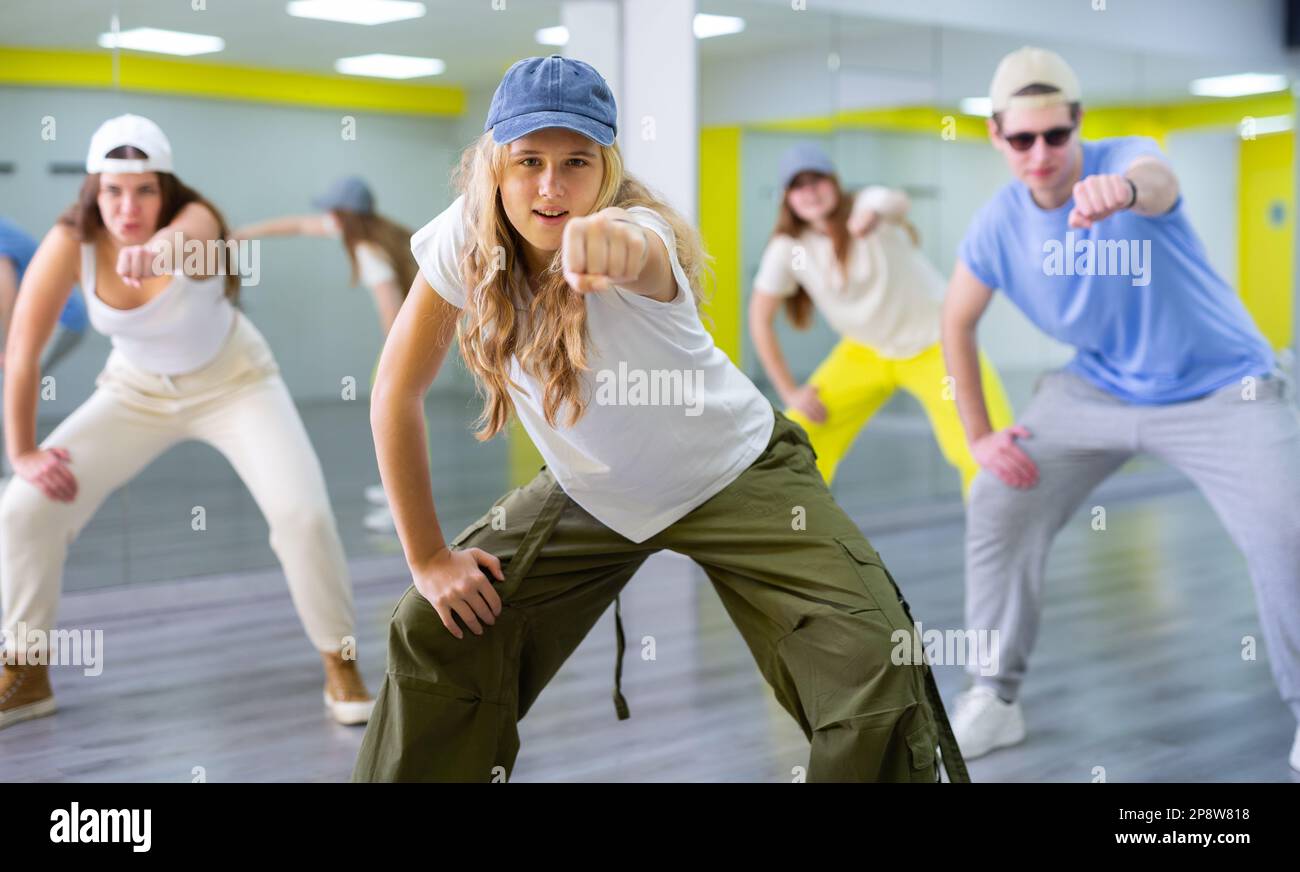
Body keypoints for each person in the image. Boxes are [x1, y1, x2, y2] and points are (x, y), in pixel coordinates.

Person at [350, 55, 968, 783]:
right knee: (434, 627)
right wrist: (427, 560)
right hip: (594, 490)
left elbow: (635, 250)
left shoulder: (640, 229)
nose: (551, 187)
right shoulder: (463, 239)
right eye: (529, 162)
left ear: (606, 166)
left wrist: (601, 243)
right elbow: (395, 390)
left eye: (576, 161)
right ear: (494, 163)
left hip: (736, 473)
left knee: (874, 656)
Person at [941, 47, 1300, 771]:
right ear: (997, 137)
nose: (1040, 153)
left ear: (1078, 130)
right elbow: (956, 322)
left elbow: (1157, 180)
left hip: (1225, 386)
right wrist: (979, 436)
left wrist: (1125, 195)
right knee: (998, 498)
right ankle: (995, 698)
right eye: (1022, 138)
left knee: (1288, 529)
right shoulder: (997, 225)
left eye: (1055, 136)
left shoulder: (1124, 162)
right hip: (1097, 390)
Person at [0, 114, 374, 729]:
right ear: (93, 189)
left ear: (165, 190)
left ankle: (340, 658)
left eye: (145, 190)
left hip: (237, 383)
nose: (128, 207)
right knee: (24, 508)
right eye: (114, 190)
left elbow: (186, 243)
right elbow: (21, 350)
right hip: (135, 391)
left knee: (302, 516)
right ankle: (28, 669)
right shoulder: (70, 242)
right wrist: (22, 452)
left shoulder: (196, 221)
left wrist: (155, 252)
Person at [750, 143, 1013, 494]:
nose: (810, 192)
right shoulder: (787, 248)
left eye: (817, 180)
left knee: (984, 447)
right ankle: (795, 533)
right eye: (799, 185)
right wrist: (790, 391)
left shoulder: (866, 207)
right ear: (787, 197)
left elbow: (894, 200)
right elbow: (759, 319)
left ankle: (994, 540)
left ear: (835, 182)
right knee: (796, 436)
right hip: (864, 352)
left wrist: (871, 214)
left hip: (936, 344)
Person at [233, 179, 418, 533]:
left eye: (334, 211)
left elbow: (390, 308)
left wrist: (396, 359)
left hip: (402, 340)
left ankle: (401, 498)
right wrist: (245, 233)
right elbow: (298, 225)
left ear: (346, 215)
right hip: (404, 339)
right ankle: (397, 491)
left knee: (390, 414)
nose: (327, 217)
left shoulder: (369, 250)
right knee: (391, 415)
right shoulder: (372, 233)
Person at [0, 217, 89, 481]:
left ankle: (14, 481)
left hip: (58, 320)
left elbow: (4, 296)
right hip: (32, 321)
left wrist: (6, 348)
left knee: (9, 385)